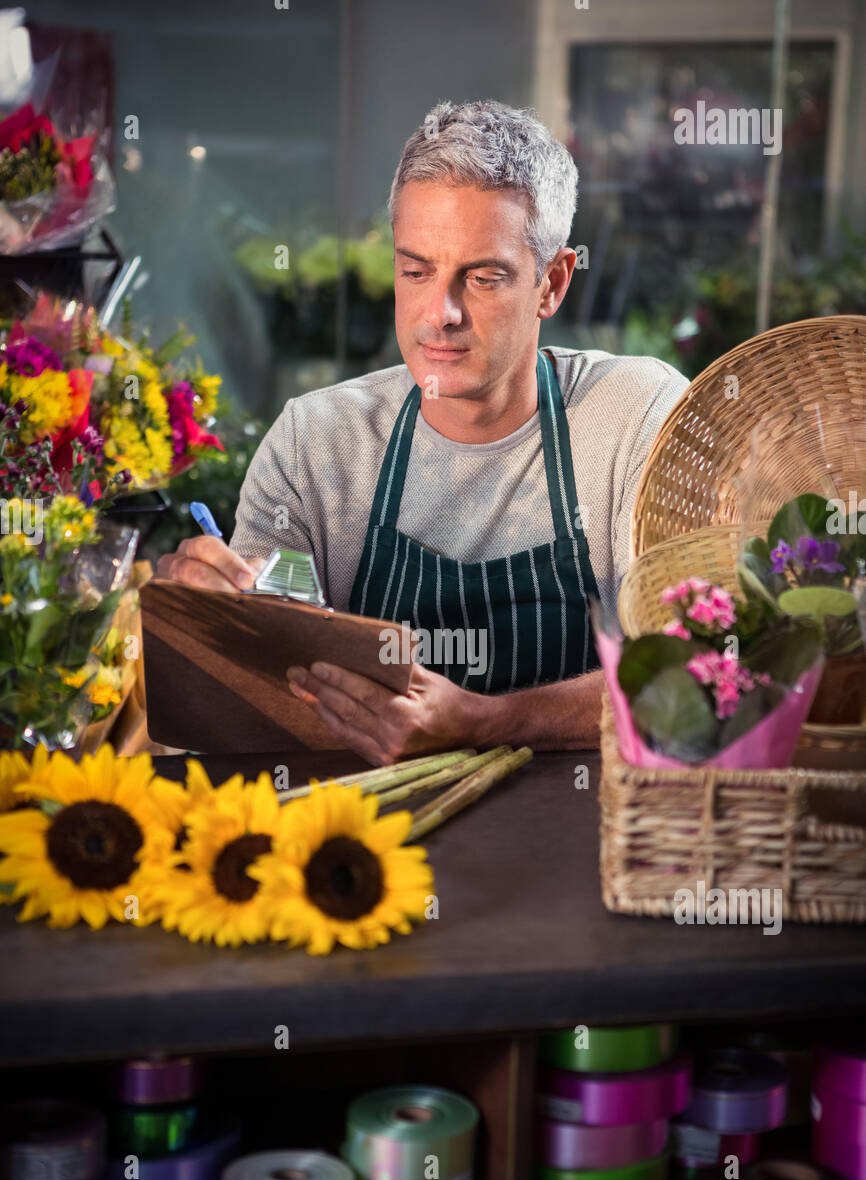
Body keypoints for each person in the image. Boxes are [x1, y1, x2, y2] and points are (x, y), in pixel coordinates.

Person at [157, 99, 687, 766]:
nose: (442, 314)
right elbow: (263, 684)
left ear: (552, 283)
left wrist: (486, 720)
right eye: (417, 271)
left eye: (484, 277)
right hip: (369, 845)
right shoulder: (316, 443)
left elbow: (692, 674)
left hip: (582, 843)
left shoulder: (636, 415)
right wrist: (210, 619)